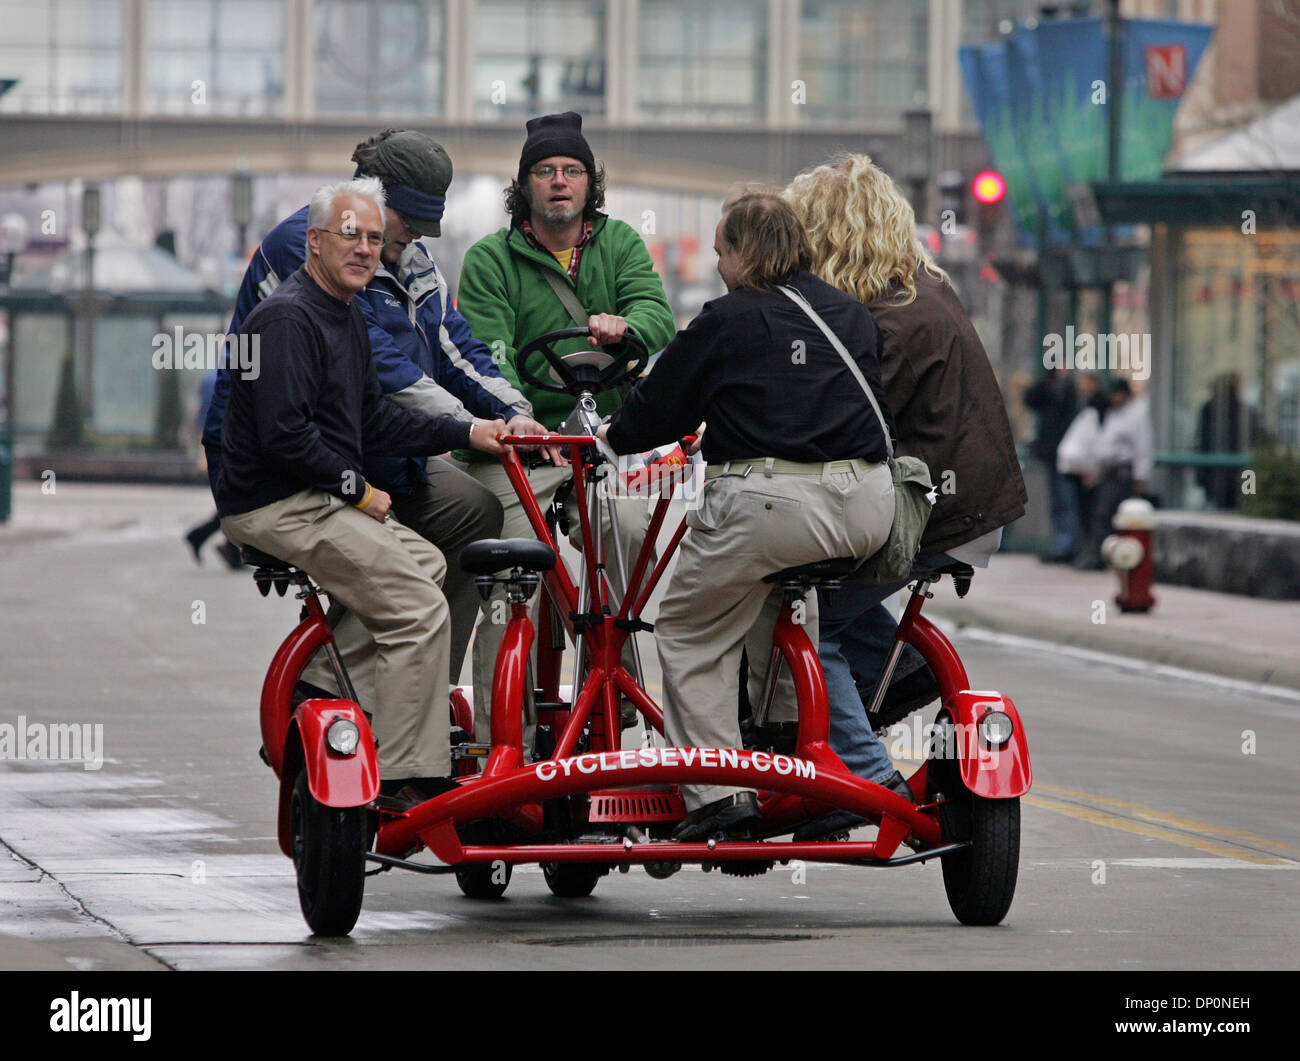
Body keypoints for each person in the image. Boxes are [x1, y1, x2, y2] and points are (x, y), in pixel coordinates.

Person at [597, 192, 897, 841]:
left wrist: (613, 436)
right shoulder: (848, 313)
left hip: (774, 504)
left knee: (687, 628)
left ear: (745, 251)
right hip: (871, 503)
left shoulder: (728, 319)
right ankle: (797, 759)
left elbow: (655, 414)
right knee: (781, 596)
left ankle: (718, 794)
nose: (719, 264)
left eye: (722, 251)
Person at [203, 129, 550, 684]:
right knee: (415, 567)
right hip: (286, 461)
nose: (412, 235)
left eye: (422, 224)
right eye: (406, 218)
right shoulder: (320, 244)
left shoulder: (407, 252)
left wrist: (513, 414)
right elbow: (388, 371)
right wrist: (465, 427)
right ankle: (325, 689)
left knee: (475, 513)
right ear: (368, 195)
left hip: (362, 439)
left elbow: (453, 345)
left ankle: (424, 686)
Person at [215, 177, 508, 802]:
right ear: (315, 241)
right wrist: (358, 490)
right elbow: (284, 437)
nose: (365, 249)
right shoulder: (289, 320)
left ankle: (319, 684)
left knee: (428, 561)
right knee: (419, 610)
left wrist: (468, 431)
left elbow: (374, 418)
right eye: (350, 235)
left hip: (308, 491)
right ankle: (407, 775)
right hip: (274, 501)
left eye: (375, 238)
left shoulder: (341, 312)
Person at [783, 155, 1026, 839]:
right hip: (964, 505)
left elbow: (843, 428)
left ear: (833, 236)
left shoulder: (889, 322)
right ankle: (901, 668)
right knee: (842, 595)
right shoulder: (919, 290)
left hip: (934, 512)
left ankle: (862, 777)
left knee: (808, 612)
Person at [455, 111, 676, 733]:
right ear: (524, 185)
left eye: (571, 171)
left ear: (589, 183)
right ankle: (502, 730)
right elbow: (489, 357)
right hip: (519, 449)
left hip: (599, 445)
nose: (559, 182)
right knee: (507, 567)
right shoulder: (489, 260)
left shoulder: (621, 243)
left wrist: (626, 326)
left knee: (628, 531)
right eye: (545, 171)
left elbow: (657, 315)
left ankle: (615, 685)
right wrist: (525, 424)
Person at [1071, 377, 1154, 569]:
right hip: (1107, 471)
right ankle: (1100, 554)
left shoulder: (1136, 416)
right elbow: (1103, 444)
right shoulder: (1111, 414)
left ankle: (1100, 556)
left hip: (1122, 472)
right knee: (1100, 514)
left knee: (1105, 514)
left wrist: (1140, 478)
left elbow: (1143, 448)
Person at [183, 369, 242, 569]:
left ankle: (221, 545)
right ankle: (206, 538)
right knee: (235, 499)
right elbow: (211, 415)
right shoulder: (221, 376)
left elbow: (203, 417)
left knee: (234, 498)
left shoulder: (214, 376)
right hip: (228, 446)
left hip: (223, 445)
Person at [1024, 366, 1081, 562]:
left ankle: (1068, 545)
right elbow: (1030, 399)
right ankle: (1062, 544)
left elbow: (1071, 413)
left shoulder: (1069, 390)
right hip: (1052, 455)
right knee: (1057, 503)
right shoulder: (1047, 390)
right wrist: (1047, 382)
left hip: (1068, 456)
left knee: (1066, 502)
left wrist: (1062, 385)